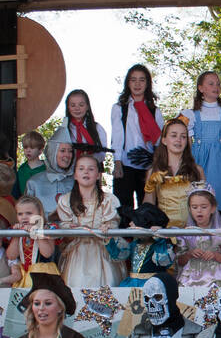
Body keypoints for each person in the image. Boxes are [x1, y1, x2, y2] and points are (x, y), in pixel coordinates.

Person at [55, 145, 121, 288]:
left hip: (102, 253)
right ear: (75, 175)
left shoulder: (108, 200)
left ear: (98, 175)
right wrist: (69, 229)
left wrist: (108, 227)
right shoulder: (66, 201)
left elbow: (113, 224)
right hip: (77, 254)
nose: (86, 172)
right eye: (81, 169)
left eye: (91, 169)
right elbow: (64, 227)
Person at [180, 71, 221, 216]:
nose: (216, 86)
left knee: (217, 203)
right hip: (199, 161)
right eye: (211, 83)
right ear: (201, 88)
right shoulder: (191, 115)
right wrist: (188, 168)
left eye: (218, 84)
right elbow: (187, 148)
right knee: (198, 203)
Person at [111, 64, 163, 212]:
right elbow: (117, 136)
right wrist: (118, 162)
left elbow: (160, 141)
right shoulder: (120, 108)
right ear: (128, 83)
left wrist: (157, 165)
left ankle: (145, 236)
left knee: (148, 208)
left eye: (142, 80)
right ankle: (124, 236)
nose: (137, 84)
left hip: (148, 166)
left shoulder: (155, 111)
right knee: (123, 209)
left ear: (147, 84)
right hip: (125, 164)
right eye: (133, 80)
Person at [144, 118, 203, 227]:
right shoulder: (153, 171)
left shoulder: (197, 170)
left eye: (183, 136)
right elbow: (148, 208)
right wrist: (150, 187)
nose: (179, 140)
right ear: (164, 140)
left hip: (191, 235)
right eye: (174, 135)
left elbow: (205, 206)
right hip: (164, 235)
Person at [176, 185, 221, 287]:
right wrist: (189, 254)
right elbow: (179, 261)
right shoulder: (185, 234)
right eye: (194, 207)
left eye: (204, 207)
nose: (199, 210)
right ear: (190, 209)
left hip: (216, 275)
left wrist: (215, 255)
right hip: (190, 277)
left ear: (213, 208)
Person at [8, 195, 60, 288]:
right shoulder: (18, 229)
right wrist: (16, 235)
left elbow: (47, 253)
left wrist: (37, 232)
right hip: (23, 275)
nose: (24, 217)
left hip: (43, 274)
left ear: (40, 213)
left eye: (29, 213)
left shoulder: (48, 228)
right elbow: (11, 256)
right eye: (20, 214)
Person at [118, 203, 176, 286]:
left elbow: (163, 261)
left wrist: (160, 240)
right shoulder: (133, 244)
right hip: (132, 284)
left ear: (143, 224)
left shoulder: (159, 245)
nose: (130, 223)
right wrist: (109, 237)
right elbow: (119, 254)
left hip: (152, 284)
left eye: (134, 221)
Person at [27, 138, 76, 218]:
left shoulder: (78, 181)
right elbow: (27, 214)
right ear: (53, 152)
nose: (67, 155)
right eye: (63, 150)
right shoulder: (34, 182)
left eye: (70, 151)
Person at [15, 130, 47, 198]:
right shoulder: (22, 169)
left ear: (40, 150)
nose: (28, 150)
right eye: (25, 147)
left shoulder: (46, 169)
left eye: (32, 147)